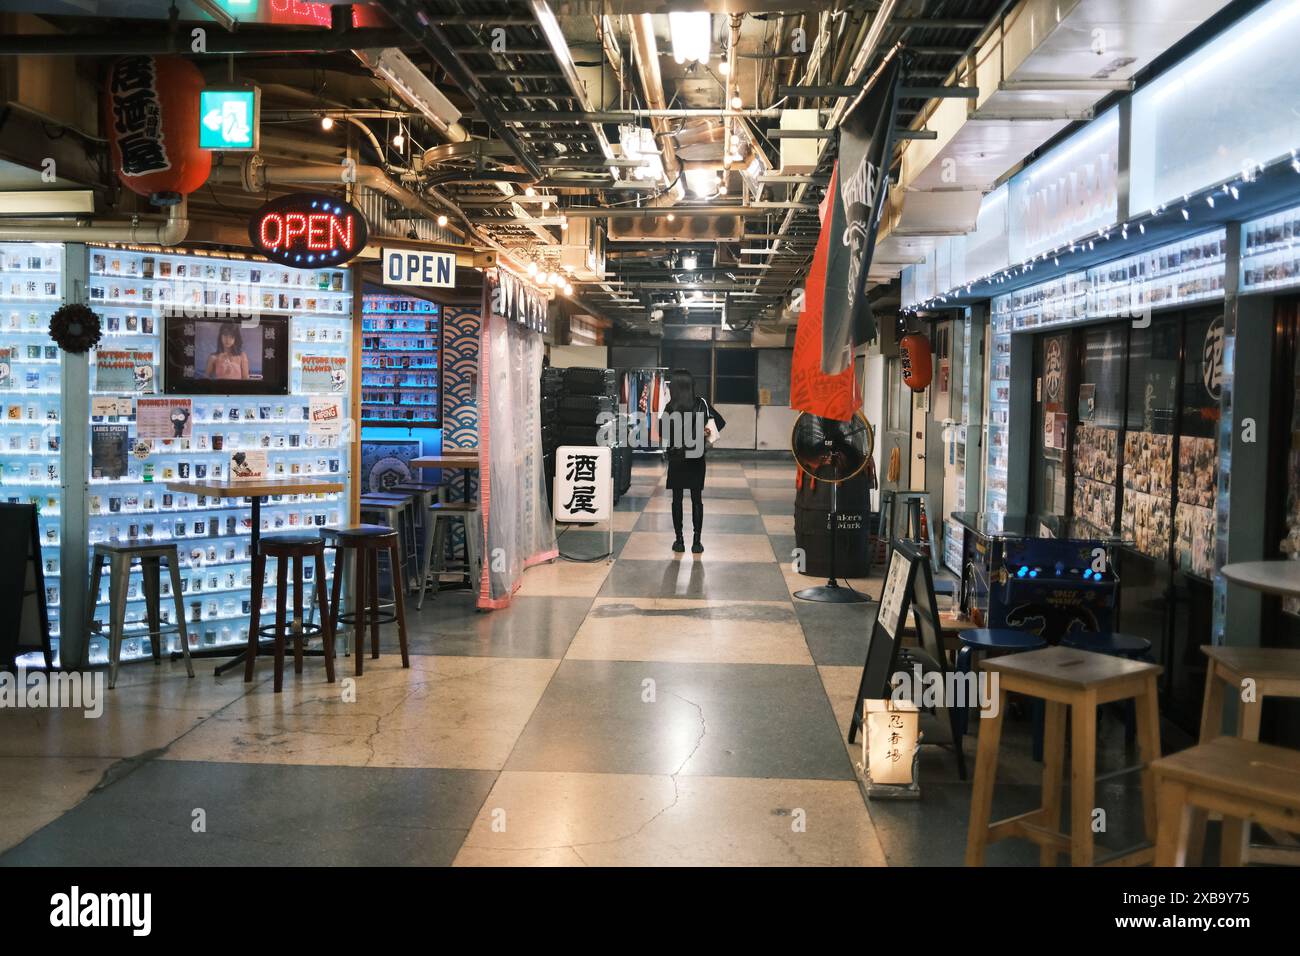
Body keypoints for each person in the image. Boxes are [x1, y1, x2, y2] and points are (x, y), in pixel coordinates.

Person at [660, 368, 726, 554]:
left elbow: (664, 433)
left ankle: (679, 540)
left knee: (677, 500)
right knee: (697, 499)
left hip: (677, 459)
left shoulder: (670, 407)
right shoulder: (701, 403)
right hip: (696, 458)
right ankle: (697, 542)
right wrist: (703, 432)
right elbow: (719, 422)